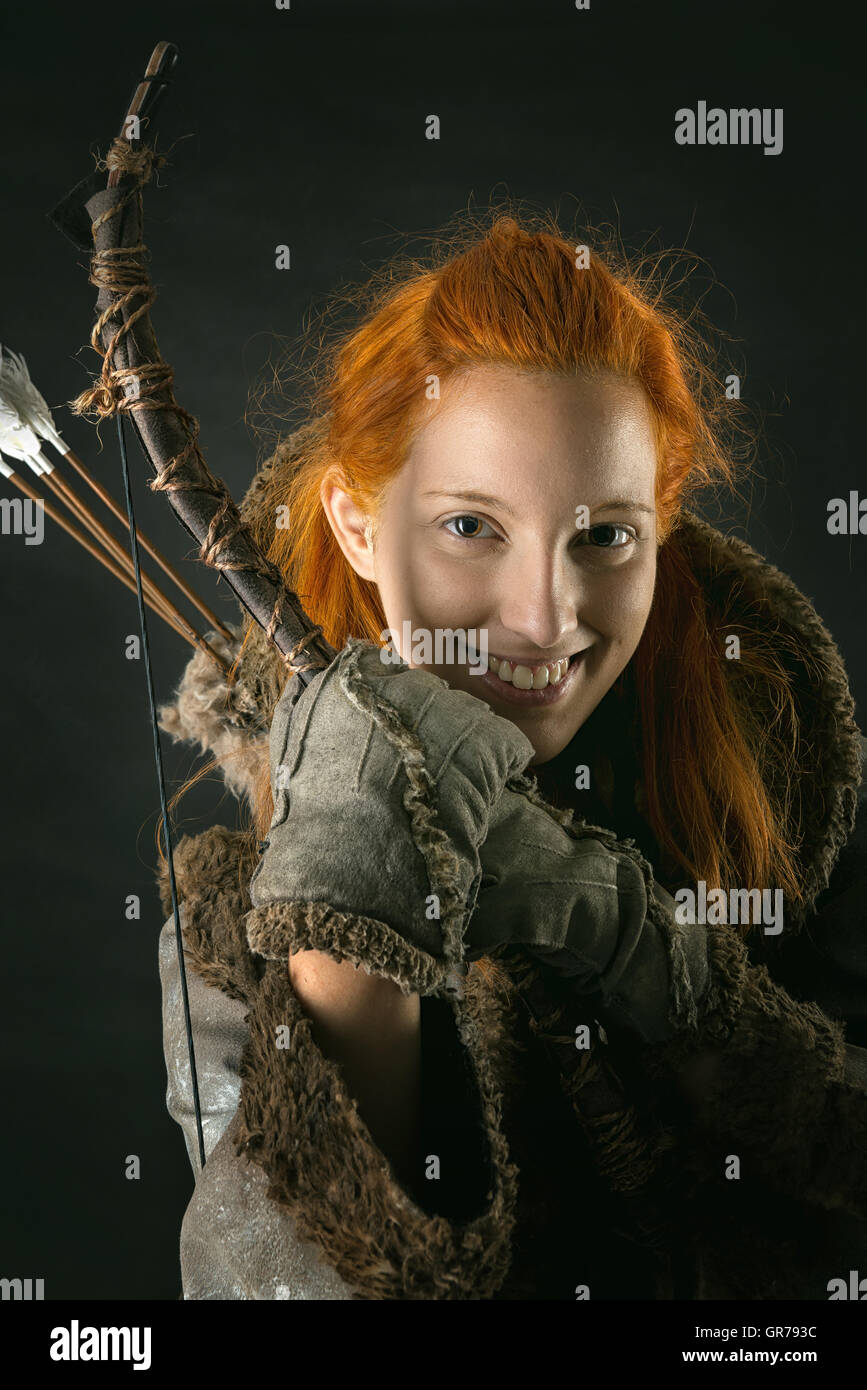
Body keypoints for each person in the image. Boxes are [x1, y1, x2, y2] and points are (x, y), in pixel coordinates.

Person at [157, 213, 866, 1300]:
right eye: (472, 528)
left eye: (605, 536)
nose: (547, 616)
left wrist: (643, 951)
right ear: (355, 522)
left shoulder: (792, 794)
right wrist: (348, 933)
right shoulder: (230, 927)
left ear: (660, 524)